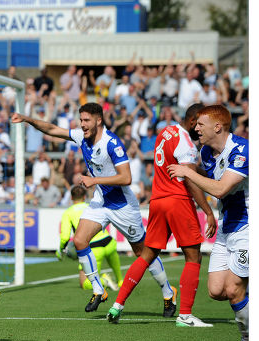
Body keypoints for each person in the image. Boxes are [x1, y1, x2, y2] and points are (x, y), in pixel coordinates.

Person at [12, 103, 175, 314]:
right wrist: (27, 119)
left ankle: (168, 292)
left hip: (122, 205)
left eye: (86, 120)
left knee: (142, 252)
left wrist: (94, 180)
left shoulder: (112, 143)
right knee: (79, 240)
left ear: (99, 120)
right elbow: (53, 130)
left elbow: (126, 177)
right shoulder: (82, 137)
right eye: (81, 120)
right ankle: (99, 290)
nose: (82, 124)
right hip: (100, 201)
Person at [106, 103, 217, 326]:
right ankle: (185, 315)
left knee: (147, 254)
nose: (201, 130)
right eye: (201, 124)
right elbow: (189, 178)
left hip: (158, 200)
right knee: (193, 256)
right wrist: (208, 211)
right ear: (193, 120)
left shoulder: (165, 132)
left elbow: (177, 165)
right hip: (178, 200)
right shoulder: (186, 141)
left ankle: (117, 305)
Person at [167, 105, 248, 341]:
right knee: (216, 290)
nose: (196, 127)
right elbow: (210, 175)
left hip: (248, 226)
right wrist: (192, 169)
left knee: (234, 288)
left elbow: (221, 189)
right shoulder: (207, 151)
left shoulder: (243, 150)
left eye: (201, 124)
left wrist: (185, 171)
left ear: (218, 127)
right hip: (227, 227)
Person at [57, 185, 122, 291]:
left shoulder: (68, 212)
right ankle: (120, 281)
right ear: (84, 197)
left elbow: (64, 237)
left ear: (71, 198)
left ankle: (104, 280)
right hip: (109, 242)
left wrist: (60, 251)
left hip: (93, 248)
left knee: (85, 283)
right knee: (116, 267)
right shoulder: (91, 206)